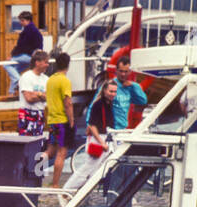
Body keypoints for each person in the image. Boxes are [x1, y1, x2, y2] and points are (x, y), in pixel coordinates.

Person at [64, 78, 120, 193]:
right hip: (98, 139)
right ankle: (68, 189)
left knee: (95, 168)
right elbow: (93, 125)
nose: (113, 94)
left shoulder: (108, 104)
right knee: (88, 167)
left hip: (103, 138)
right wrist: (101, 142)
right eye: (111, 91)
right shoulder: (98, 105)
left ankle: (82, 191)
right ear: (104, 90)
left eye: (115, 91)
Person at [43, 52, 74, 192]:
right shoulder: (64, 80)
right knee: (61, 153)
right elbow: (67, 102)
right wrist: (72, 120)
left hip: (52, 120)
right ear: (68, 64)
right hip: (62, 120)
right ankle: (55, 184)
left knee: (49, 151)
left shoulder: (50, 80)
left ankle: (35, 171)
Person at [16, 50, 49, 138]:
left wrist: (36, 94)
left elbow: (48, 97)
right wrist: (41, 95)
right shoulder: (26, 77)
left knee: (38, 143)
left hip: (39, 113)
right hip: (27, 113)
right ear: (37, 63)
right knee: (25, 143)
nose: (47, 65)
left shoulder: (46, 79)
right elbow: (29, 98)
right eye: (45, 62)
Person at [4, 11, 43, 84]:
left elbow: (21, 46)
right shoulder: (36, 31)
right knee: (15, 71)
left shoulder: (27, 31)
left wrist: (12, 55)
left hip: (27, 56)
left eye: (22, 21)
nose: (20, 22)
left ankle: (19, 81)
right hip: (34, 58)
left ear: (28, 20)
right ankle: (12, 92)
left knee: (6, 64)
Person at [111, 56, 148, 129]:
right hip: (110, 128)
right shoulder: (109, 85)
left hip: (123, 128)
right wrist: (89, 124)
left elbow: (143, 101)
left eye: (126, 71)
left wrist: (133, 86)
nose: (123, 74)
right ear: (116, 70)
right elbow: (94, 105)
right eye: (121, 71)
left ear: (130, 71)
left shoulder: (131, 87)